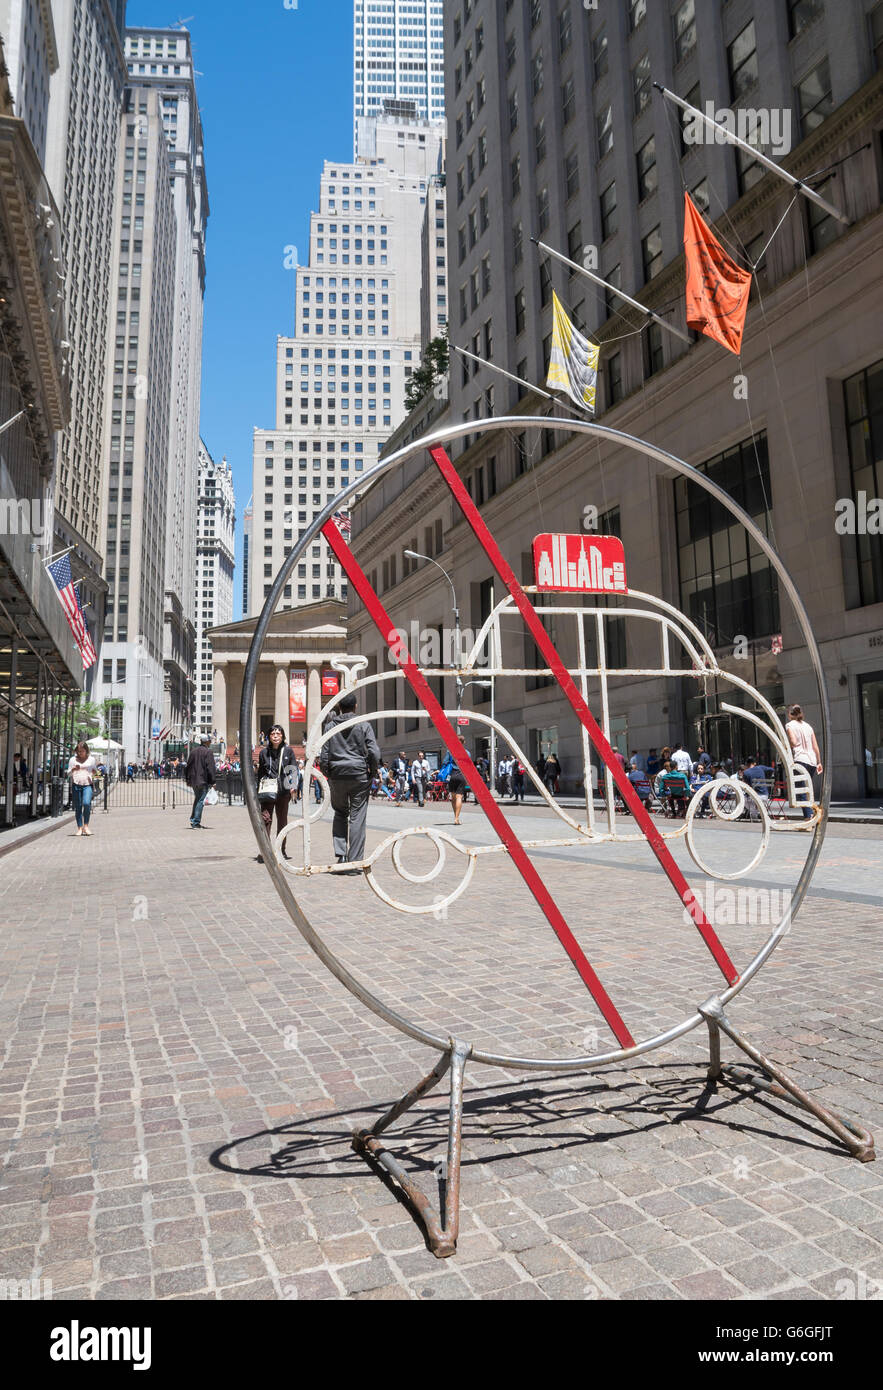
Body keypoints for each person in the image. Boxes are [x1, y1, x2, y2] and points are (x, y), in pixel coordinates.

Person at [319, 691, 380, 868]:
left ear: (339, 708)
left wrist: (327, 772)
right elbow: (374, 752)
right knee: (357, 817)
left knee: (340, 813)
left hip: (337, 774)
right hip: (359, 774)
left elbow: (324, 754)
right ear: (355, 707)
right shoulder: (363, 724)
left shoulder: (330, 727)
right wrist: (373, 770)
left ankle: (341, 854)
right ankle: (355, 859)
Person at [254, 724, 297, 860]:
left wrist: (292, 787)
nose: (276, 736)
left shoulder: (288, 751)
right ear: (269, 736)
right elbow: (260, 773)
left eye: (278, 734)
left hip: (283, 792)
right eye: (273, 734)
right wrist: (258, 791)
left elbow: (293, 769)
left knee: (282, 821)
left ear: (283, 736)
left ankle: (281, 850)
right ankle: (265, 851)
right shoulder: (263, 753)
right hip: (268, 790)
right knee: (266, 820)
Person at [785, 704, 822, 822]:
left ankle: (809, 816)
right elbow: (815, 746)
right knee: (807, 788)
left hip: (800, 759)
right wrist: (819, 762)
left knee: (800, 789)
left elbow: (794, 742)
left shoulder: (790, 725)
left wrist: (788, 744)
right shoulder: (808, 726)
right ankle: (811, 812)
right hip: (812, 761)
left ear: (790, 714)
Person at [185, 735, 216, 829]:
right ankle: (195, 822)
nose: (210, 742)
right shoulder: (208, 752)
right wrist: (213, 781)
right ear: (206, 742)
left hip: (194, 780)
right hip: (202, 780)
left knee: (198, 799)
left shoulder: (193, 751)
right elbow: (210, 768)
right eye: (209, 741)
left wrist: (187, 779)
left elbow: (188, 766)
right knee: (200, 801)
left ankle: (193, 819)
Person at [68, 742, 97, 837]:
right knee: (78, 807)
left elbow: (96, 773)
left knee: (86, 803)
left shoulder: (91, 760)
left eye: (82, 751)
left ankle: (86, 826)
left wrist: (94, 772)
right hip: (76, 784)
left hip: (87, 784)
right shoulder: (73, 760)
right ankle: (80, 828)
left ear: (86, 750)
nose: (80, 753)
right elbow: (68, 773)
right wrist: (73, 769)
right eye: (79, 751)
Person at [441, 737, 469, 825]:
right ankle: (457, 818)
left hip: (452, 775)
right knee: (459, 797)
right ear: (464, 742)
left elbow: (444, 762)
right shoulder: (467, 752)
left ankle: (455, 816)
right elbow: (468, 765)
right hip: (461, 776)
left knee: (453, 797)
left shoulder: (450, 751)